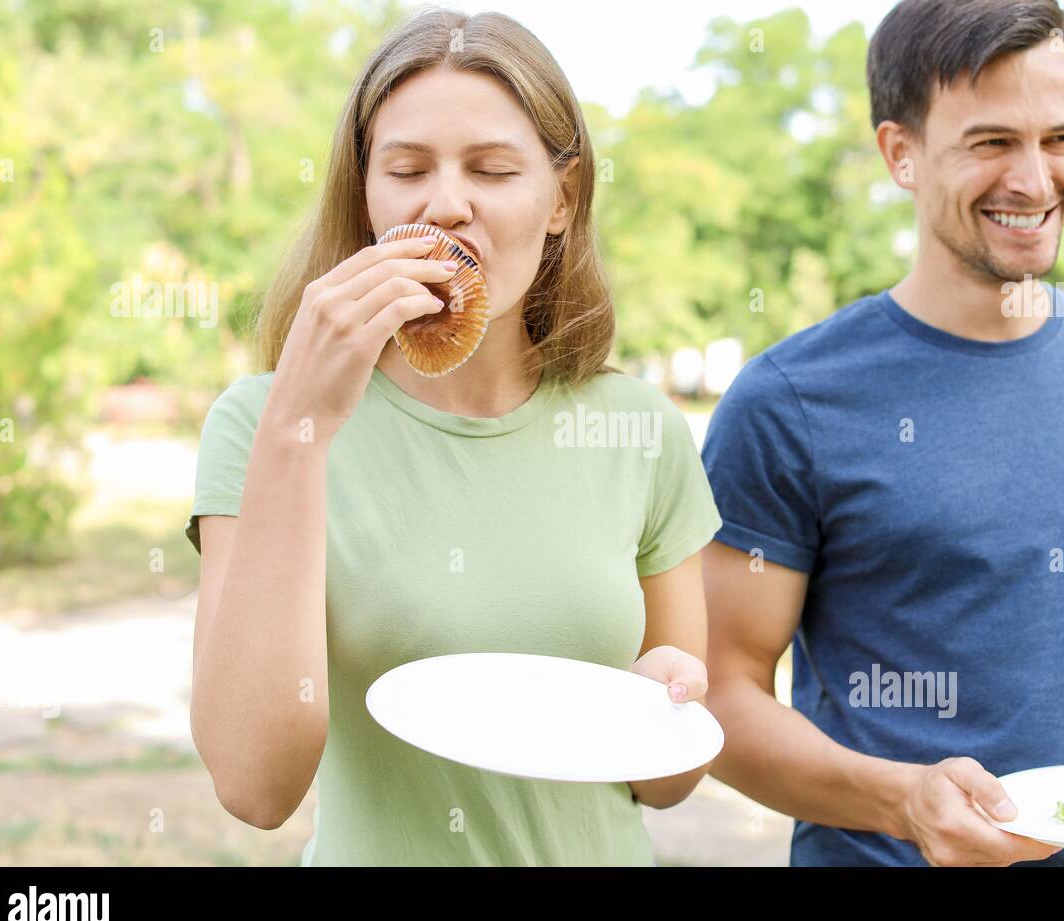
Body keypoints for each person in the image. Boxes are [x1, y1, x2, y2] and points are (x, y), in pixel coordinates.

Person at [699, 0, 1064, 866]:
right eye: (992, 143)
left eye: (1059, 139)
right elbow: (723, 697)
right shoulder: (788, 402)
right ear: (901, 153)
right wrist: (902, 803)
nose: (1035, 181)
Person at [184, 8, 721, 865]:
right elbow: (255, 788)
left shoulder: (640, 429)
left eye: (493, 170)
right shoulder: (259, 422)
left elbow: (668, 781)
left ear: (562, 200)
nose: (445, 205)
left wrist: (664, 696)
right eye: (406, 169)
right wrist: (300, 425)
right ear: (365, 197)